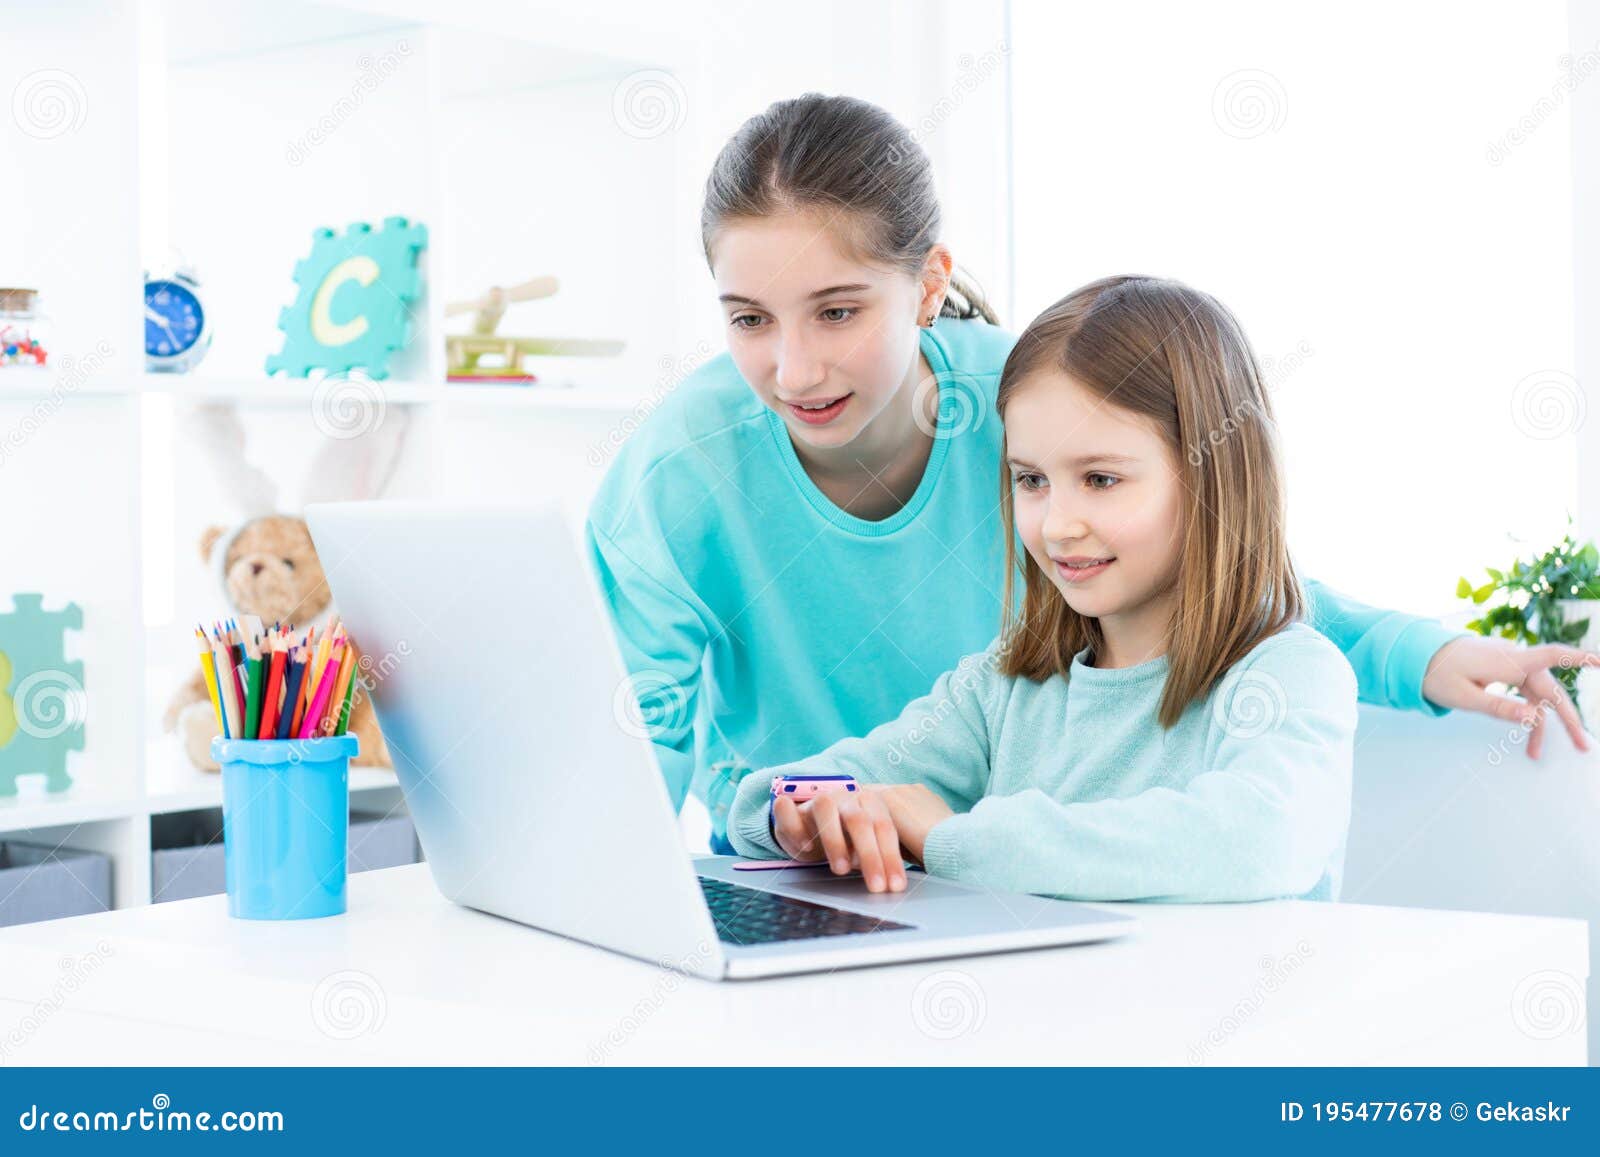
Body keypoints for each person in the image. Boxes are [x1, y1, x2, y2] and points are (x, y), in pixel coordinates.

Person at [585, 94, 1593, 856]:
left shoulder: (1032, 407)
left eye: (837, 311)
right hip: (827, 877)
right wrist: (781, 818)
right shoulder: (680, 470)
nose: (792, 369)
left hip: (1002, 874)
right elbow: (631, 736)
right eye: (747, 318)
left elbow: (1212, 572)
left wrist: (1413, 649)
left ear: (928, 284)